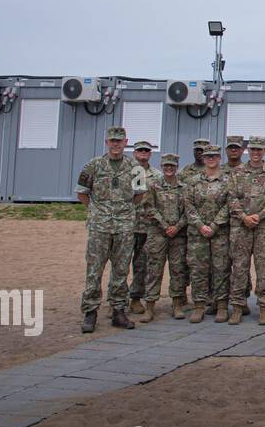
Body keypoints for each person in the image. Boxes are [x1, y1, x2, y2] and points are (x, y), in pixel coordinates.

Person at [76, 126, 145, 332]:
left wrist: (123, 211)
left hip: (124, 226)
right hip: (100, 227)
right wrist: (97, 211)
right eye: (112, 141)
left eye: (119, 141)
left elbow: (139, 194)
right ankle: (90, 312)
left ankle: (118, 311)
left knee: (121, 270)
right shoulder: (93, 165)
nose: (116, 144)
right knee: (94, 270)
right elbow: (82, 192)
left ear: (126, 142)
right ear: (106, 142)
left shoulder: (136, 168)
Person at [229, 137, 265, 325]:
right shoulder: (238, 172)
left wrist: (260, 215)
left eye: (259, 150)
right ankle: (238, 307)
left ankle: (264, 307)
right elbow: (231, 198)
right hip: (242, 228)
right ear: (247, 151)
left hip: (264, 228)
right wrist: (244, 217)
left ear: (264, 151)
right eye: (253, 150)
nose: (256, 153)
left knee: (264, 269)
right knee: (239, 269)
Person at [184, 144, 231, 324]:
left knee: (221, 269)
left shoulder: (228, 180)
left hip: (219, 233)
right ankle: (199, 306)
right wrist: (200, 225)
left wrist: (214, 225)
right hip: (198, 234)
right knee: (198, 270)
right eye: (208, 157)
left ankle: (221, 306)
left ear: (219, 158)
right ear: (203, 159)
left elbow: (229, 204)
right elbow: (188, 205)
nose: (211, 159)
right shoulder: (193, 181)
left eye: (214, 156)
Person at [142, 152, 187, 320]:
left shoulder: (184, 187)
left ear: (176, 168)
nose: (169, 169)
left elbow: (188, 211)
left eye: (172, 166)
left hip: (178, 235)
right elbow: (149, 208)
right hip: (158, 234)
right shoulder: (153, 185)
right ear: (162, 167)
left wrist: (177, 226)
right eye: (166, 166)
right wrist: (165, 225)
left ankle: (176, 304)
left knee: (178, 270)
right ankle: (150, 306)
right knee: (154, 269)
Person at [127, 139, 158, 320]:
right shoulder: (127, 172)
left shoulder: (157, 175)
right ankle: (116, 300)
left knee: (141, 265)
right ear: (134, 153)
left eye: (146, 151)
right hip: (127, 225)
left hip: (147, 227)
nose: (143, 153)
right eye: (140, 151)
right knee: (120, 264)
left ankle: (135, 297)